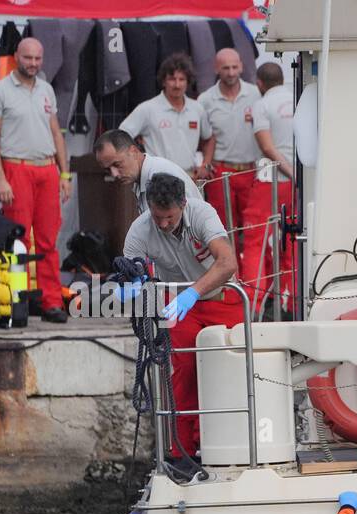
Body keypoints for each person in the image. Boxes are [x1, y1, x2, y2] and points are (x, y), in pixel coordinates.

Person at [122, 173, 243, 460]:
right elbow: (129, 273)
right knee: (183, 375)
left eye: (170, 217)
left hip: (221, 299)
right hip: (178, 305)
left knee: (230, 372)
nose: (163, 224)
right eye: (158, 217)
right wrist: (129, 288)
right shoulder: (139, 230)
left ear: (184, 205)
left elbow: (227, 262)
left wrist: (193, 292)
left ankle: (230, 445)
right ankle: (182, 453)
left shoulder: (203, 214)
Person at [0, 37, 70, 324]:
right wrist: (0, 179)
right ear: (16, 56)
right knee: (18, 241)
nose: (33, 64)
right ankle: (16, 302)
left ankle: (51, 302)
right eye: (28, 58)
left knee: (48, 240)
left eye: (38, 59)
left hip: (46, 169)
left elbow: (56, 133)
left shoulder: (46, 89)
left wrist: (64, 173)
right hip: (16, 169)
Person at [198, 48, 261, 280]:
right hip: (220, 172)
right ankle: (229, 281)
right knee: (222, 231)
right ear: (216, 69)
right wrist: (203, 162)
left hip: (252, 171)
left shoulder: (256, 94)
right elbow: (201, 136)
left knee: (253, 230)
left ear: (242, 67)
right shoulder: (205, 100)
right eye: (226, 67)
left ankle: (252, 281)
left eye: (235, 67)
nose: (231, 72)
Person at [243, 62, 296, 314]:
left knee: (255, 242)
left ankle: (253, 303)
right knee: (292, 241)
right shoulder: (298, 99)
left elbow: (267, 148)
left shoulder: (261, 105)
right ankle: (291, 301)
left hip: (270, 178)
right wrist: (298, 177)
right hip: (299, 183)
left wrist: (289, 173)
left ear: (259, 84)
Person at [119, 53, 212, 182]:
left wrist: (206, 165)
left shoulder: (197, 108)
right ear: (163, 81)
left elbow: (209, 138)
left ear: (188, 82)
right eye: (172, 79)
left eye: (182, 79)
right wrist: (138, 160)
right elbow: (121, 136)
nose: (177, 84)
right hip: (158, 179)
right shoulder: (148, 109)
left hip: (190, 177)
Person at [94, 129, 201, 214]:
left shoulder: (159, 175)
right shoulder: (143, 176)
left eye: (117, 164)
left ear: (133, 151)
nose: (114, 174)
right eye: (108, 169)